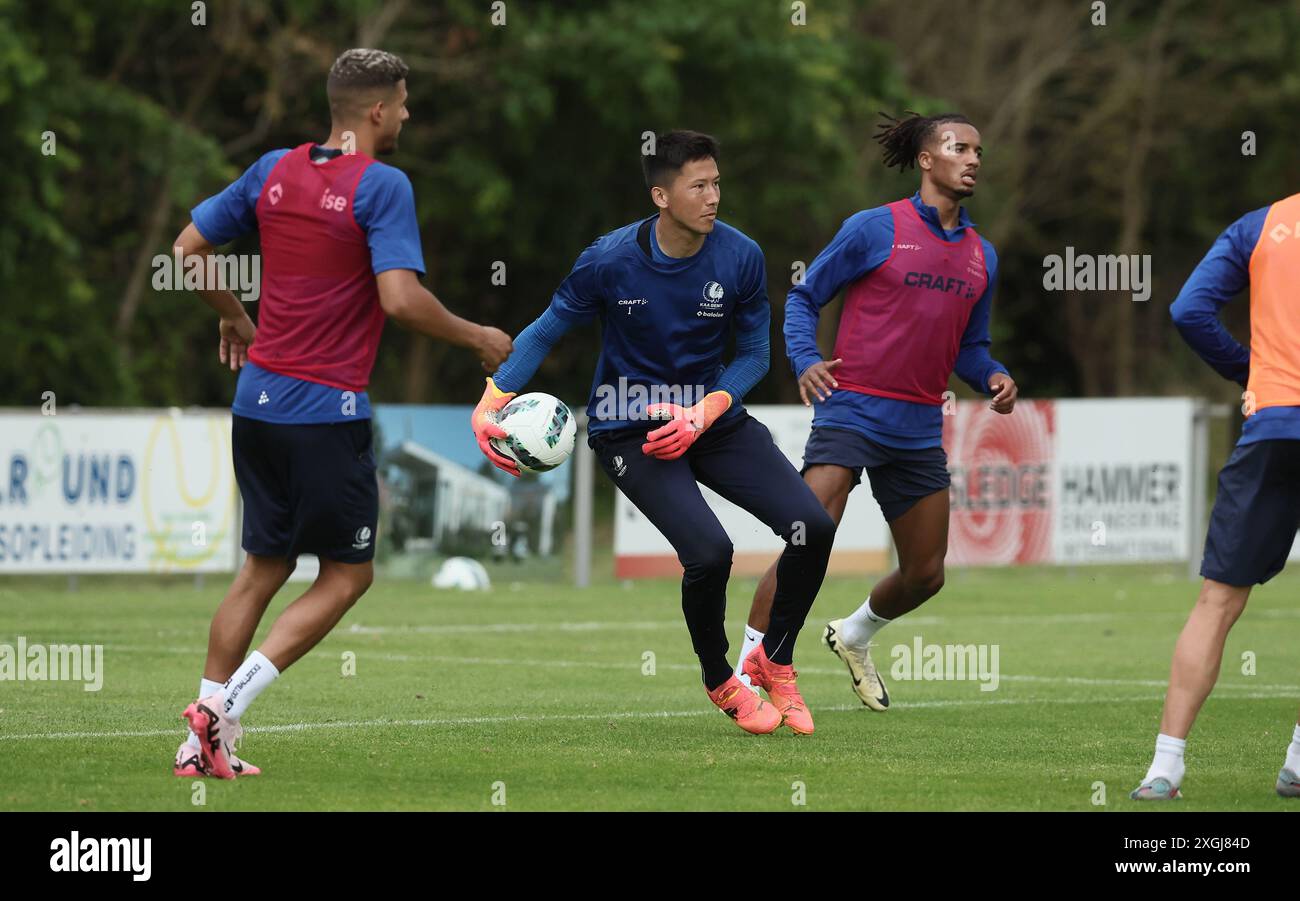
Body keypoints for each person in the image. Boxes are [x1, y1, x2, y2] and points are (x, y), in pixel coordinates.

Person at [171, 48, 512, 778]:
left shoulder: (272, 170)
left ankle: (200, 746)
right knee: (348, 575)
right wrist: (479, 337)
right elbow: (399, 298)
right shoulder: (382, 184)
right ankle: (222, 708)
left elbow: (187, 249)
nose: (409, 116)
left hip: (256, 401)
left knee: (262, 567)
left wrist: (234, 316)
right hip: (326, 410)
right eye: (405, 102)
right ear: (379, 110)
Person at [472, 131, 835, 734]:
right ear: (661, 195)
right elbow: (544, 329)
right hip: (628, 430)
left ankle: (774, 659)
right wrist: (493, 397)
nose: (713, 196)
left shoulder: (741, 255)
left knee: (813, 527)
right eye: (699, 185)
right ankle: (721, 678)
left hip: (711, 420)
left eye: (717, 182)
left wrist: (705, 411)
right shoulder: (609, 259)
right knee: (711, 553)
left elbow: (753, 357)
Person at [736, 112, 1017, 709]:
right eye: (958, 147)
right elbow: (805, 296)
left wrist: (992, 375)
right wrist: (807, 357)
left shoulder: (981, 257)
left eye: (978, 151)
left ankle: (855, 635)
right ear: (926, 158)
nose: (972, 159)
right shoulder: (873, 229)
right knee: (807, 532)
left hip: (918, 427)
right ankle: (745, 673)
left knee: (926, 574)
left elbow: (971, 348)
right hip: (851, 411)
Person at [1131, 193, 1300, 800]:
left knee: (1217, 603)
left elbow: (1188, 310)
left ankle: (1164, 768)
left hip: (1272, 424)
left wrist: (1247, 371)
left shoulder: (1262, 224)